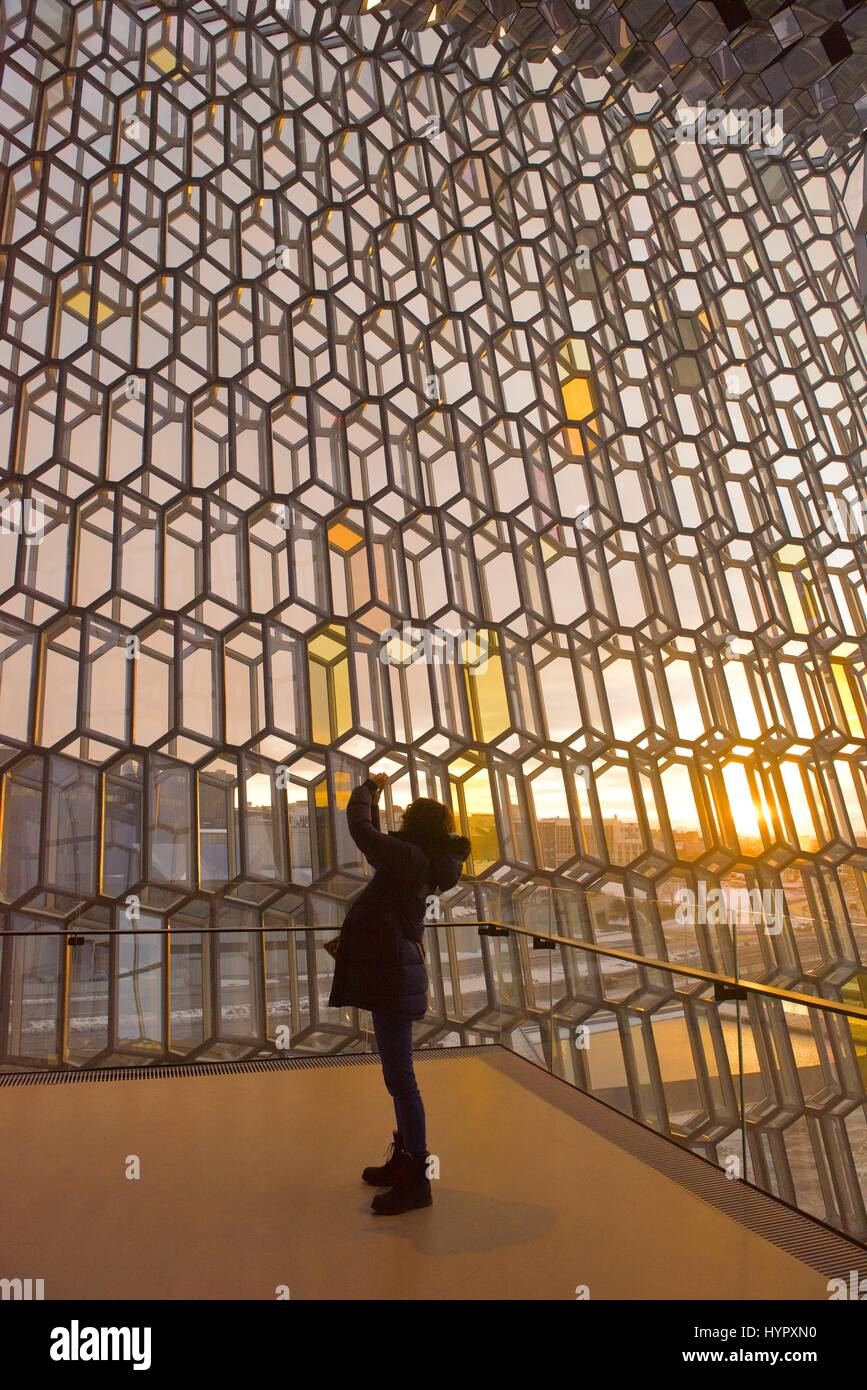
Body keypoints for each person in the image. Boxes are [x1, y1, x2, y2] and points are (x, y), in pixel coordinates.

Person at [328, 772, 471, 1214]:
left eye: (409, 815)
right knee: (398, 1077)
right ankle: (406, 1162)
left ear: (418, 826)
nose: (403, 818)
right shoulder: (424, 860)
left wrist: (368, 791)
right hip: (396, 974)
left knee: (402, 1079)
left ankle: (417, 1178)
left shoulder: (409, 859)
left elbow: (361, 830)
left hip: (394, 978)